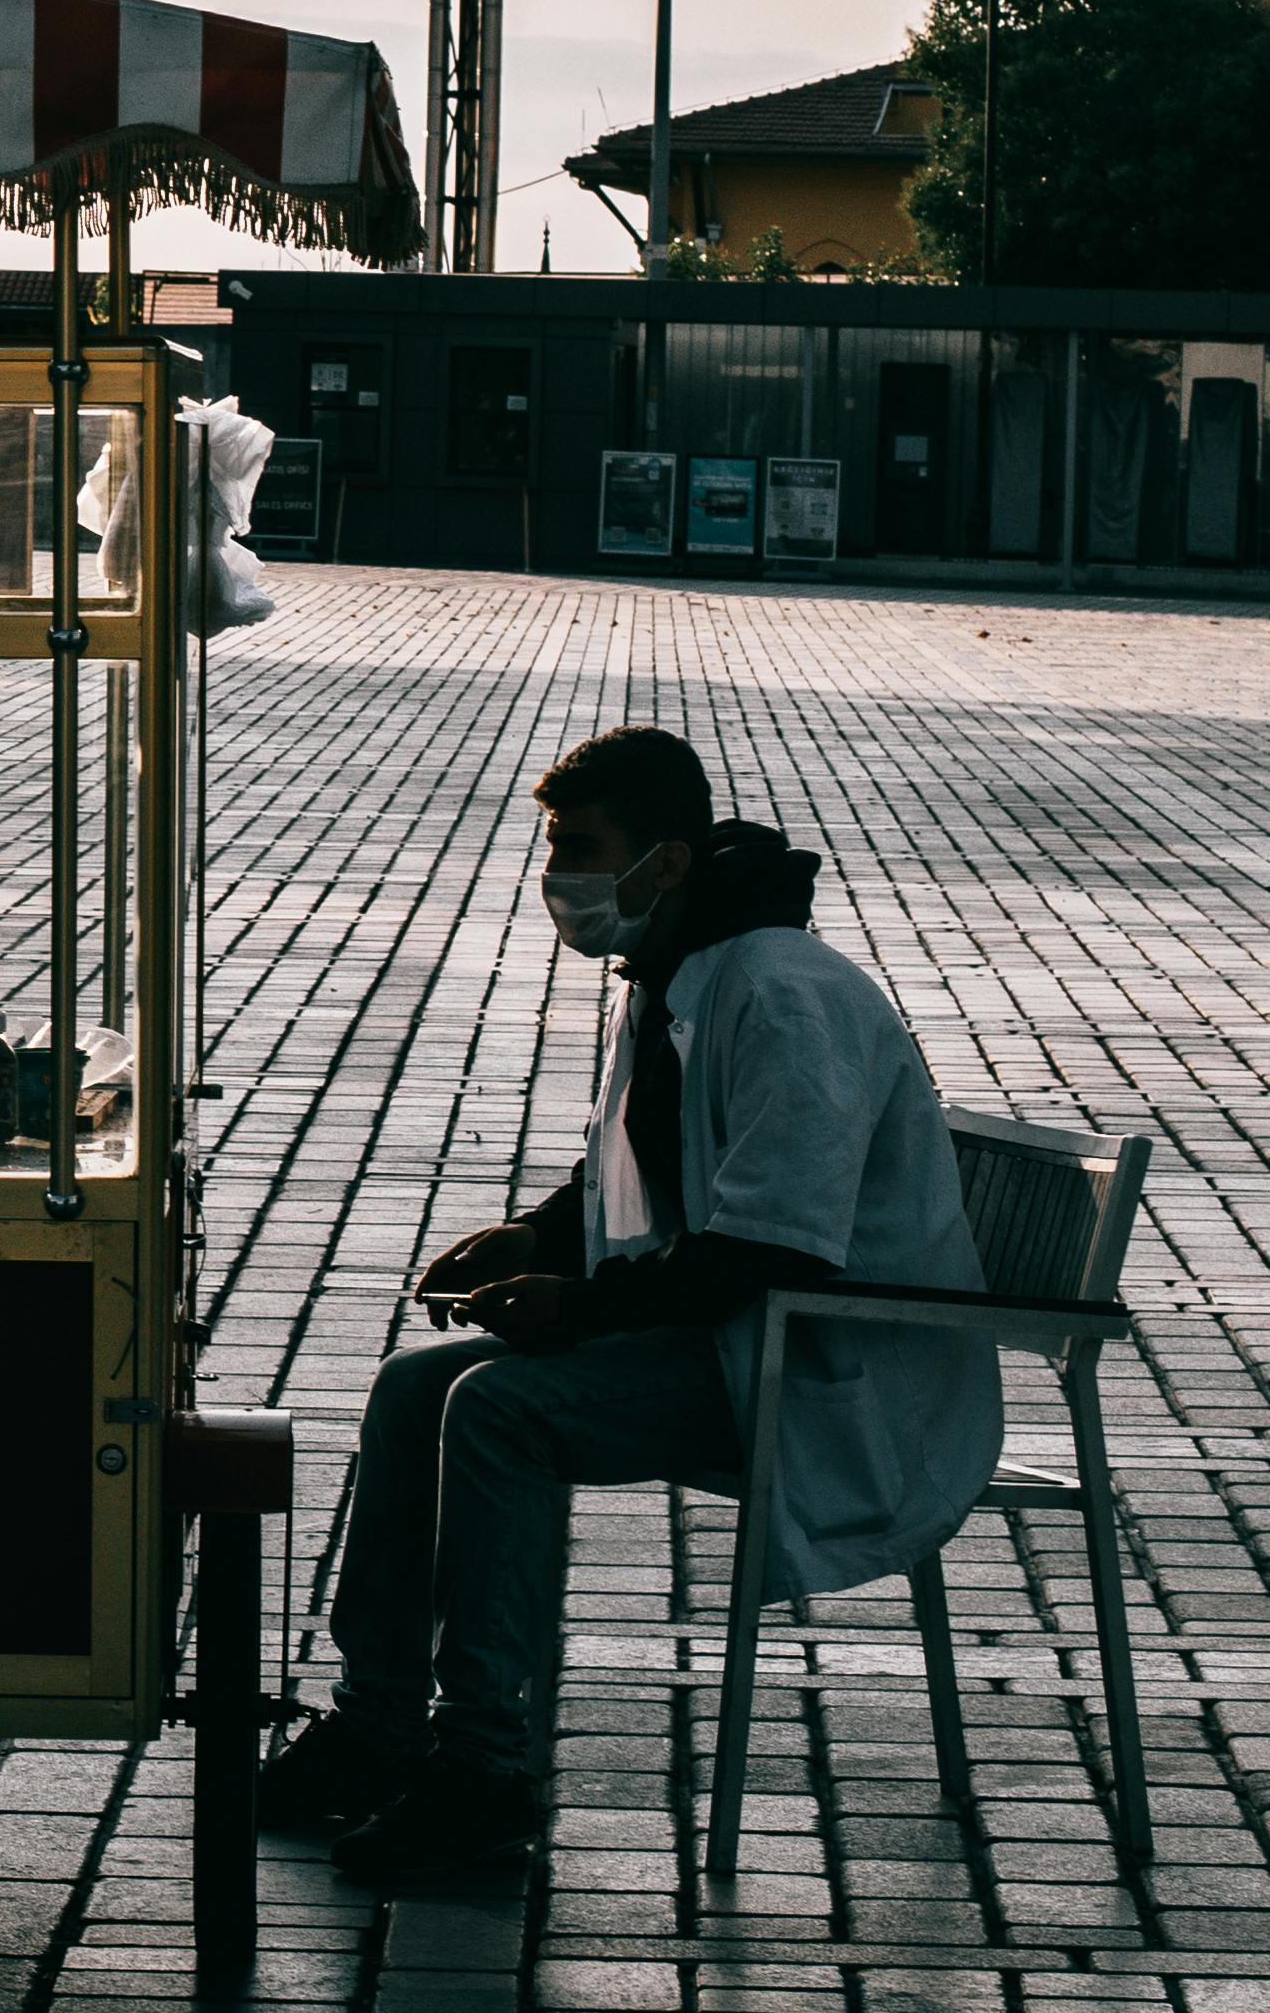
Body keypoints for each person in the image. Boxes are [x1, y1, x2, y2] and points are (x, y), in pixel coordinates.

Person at [267, 723, 995, 1890]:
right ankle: (376, 1727)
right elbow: (650, 1163)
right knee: (414, 1388)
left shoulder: (780, 995)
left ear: (665, 858)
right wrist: (541, 1235)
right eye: (553, 843)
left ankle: (482, 1774)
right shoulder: (679, 970)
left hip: (819, 1374)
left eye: (580, 845)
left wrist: (579, 1309)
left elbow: (769, 1246)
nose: (560, 874)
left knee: (499, 1414)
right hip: (733, 1342)